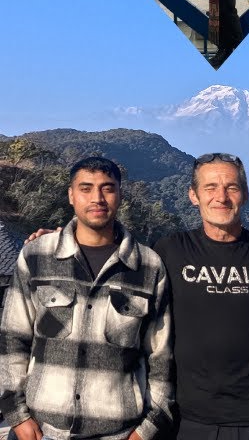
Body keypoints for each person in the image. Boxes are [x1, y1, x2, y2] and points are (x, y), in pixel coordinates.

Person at [0, 157, 173, 440]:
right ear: (71, 195)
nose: (97, 198)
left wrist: (147, 429)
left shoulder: (148, 266)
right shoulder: (37, 256)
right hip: (42, 431)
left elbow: (160, 356)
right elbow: (12, 339)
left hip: (120, 432)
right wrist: (18, 417)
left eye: (107, 188)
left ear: (120, 194)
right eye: (86, 188)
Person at [152, 153, 249, 440]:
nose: (221, 197)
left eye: (231, 187)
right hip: (189, 422)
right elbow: (116, 266)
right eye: (210, 187)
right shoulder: (169, 251)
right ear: (193, 196)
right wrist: (62, 243)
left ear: (246, 194)